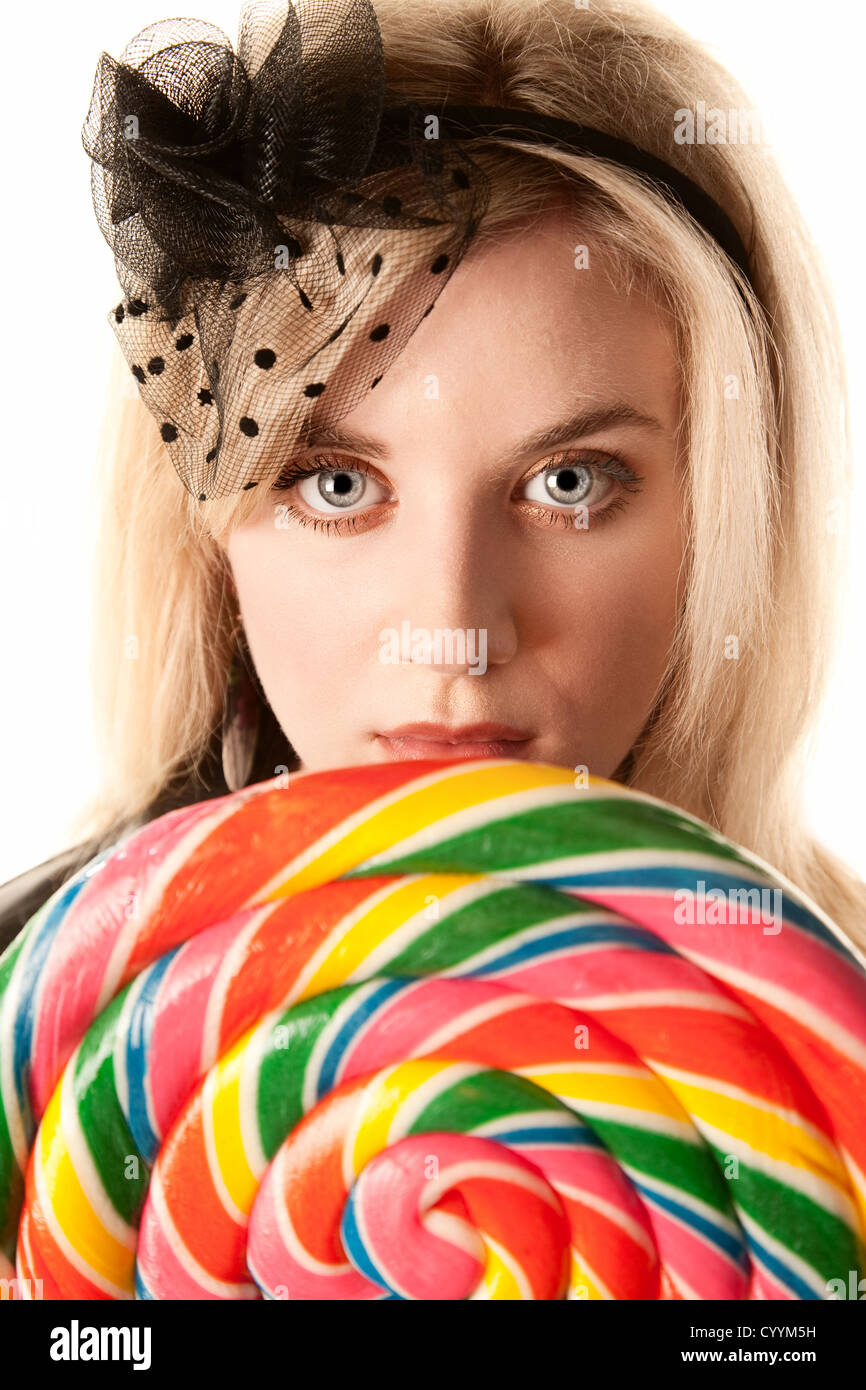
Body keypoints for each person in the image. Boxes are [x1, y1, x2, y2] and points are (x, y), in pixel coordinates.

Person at [1, 0, 863, 958]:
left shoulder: (833, 1050)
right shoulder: (47, 1056)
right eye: (335, 486)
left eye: (569, 483)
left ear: (729, 516)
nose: (454, 629)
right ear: (204, 529)